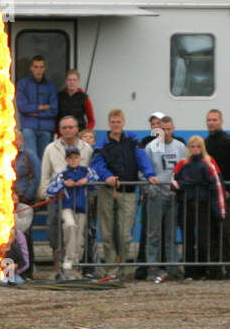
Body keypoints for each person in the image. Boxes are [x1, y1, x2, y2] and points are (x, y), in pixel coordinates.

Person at [91, 109, 157, 278]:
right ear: (109, 123)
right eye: (113, 122)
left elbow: (142, 158)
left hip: (128, 192)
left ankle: (122, 268)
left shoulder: (132, 140)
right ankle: (111, 270)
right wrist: (107, 176)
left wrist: (149, 174)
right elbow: (97, 164)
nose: (116, 125)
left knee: (125, 235)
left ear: (123, 122)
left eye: (118, 122)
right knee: (107, 233)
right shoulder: (102, 144)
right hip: (107, 191)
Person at [39, 115, 91, 278]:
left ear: (77, 129)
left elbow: (91, 173)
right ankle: (58, 268)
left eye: (71, 127)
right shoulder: (51, 148)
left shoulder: (86, 149)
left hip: (80, 198)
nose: (68, 130)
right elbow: (45, 174)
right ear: (60, 130)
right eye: (64, 128)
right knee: (55, 231)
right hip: (57, 197)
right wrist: (46, 194)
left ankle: (73, 268)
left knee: (77, 232)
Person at [172, 136, 226, 280]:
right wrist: (189, 183)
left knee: (203, 240)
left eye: (198, 146)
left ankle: (203, 270)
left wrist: (220, 210)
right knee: (188, 240)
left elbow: (217, 185)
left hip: (203, 206)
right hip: (186, 205)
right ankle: (190, 271)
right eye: (192, 146)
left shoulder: (209, 163)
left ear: (203, 148)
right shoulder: (182, 163)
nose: (195, 149)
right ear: (188, 148)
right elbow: (174, 182)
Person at [45, 145, 99, 277]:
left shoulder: (86, 171)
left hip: (82, 208)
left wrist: (87, 180)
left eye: (76, 157)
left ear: (80, 158)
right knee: (70, 226)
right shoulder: (62, 174)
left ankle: (75, 266)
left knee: (80, 238)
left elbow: (97, 180)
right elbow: (50, 190)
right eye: (70, 158)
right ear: (66, 160)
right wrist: (63, 184)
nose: (73, 160)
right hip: (67, 207)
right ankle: (69, 261)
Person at [143, 115, 185, 281]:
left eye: (169, 129)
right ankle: (152, 269)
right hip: (156, 196)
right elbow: (143, 170)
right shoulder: (151, 148)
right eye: (163, 129)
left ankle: (173, 268)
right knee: (153, 234)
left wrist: (180, 189)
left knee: (171, 235)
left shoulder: (180, 147)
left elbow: (185, 168)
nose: (166, 132)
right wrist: (150, 190)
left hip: (174, 196)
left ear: (173, 129)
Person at [204, 109, 230, 280]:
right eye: (209, 120)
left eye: (214, 120)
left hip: (226, 195)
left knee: (227, 233)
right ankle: (214, 269)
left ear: (221, 121)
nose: (211, 123)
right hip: (210, 195)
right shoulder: (205, 143)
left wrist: (229, 190)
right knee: (212, 233)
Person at [16, 55, 57, 186]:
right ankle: (31, 190)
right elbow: (23, 108)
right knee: (31, 161)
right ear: (31, 68)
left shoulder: (50, 86)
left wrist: (33, 112)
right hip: (28, 128)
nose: (38, 70)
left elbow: (54, 110)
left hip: (46, 129)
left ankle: (42, 189)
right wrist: (42, 107)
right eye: (36, 67)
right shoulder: (22, 84)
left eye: (41, 67)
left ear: (45, 68)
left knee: (45, 162)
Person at [55, 69, 93, 134]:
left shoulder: (84, 98)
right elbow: (55, 118)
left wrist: (84, 133)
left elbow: (91, 121)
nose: (71, 82)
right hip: (62, 134)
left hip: (79, 133)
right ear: (65, 81)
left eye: (74, 80)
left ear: (78, 81)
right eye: (69, 80)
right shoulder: (59, 96)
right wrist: (56, 133)